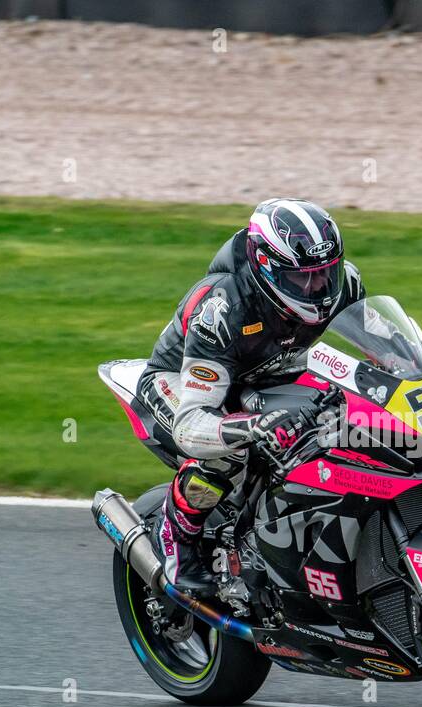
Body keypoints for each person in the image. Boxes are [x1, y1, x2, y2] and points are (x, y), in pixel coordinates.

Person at [137, 198, 364, 593]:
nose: (317, 288)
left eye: (325, 273)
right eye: (301, 279)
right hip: (184, 385)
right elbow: (193, 425)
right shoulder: (224, 306)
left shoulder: (344, 286)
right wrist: (256, 425)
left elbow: (382, 341)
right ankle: (177, 538)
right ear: (265, 267)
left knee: (344, 418)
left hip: (266, 374)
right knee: (229, 452)